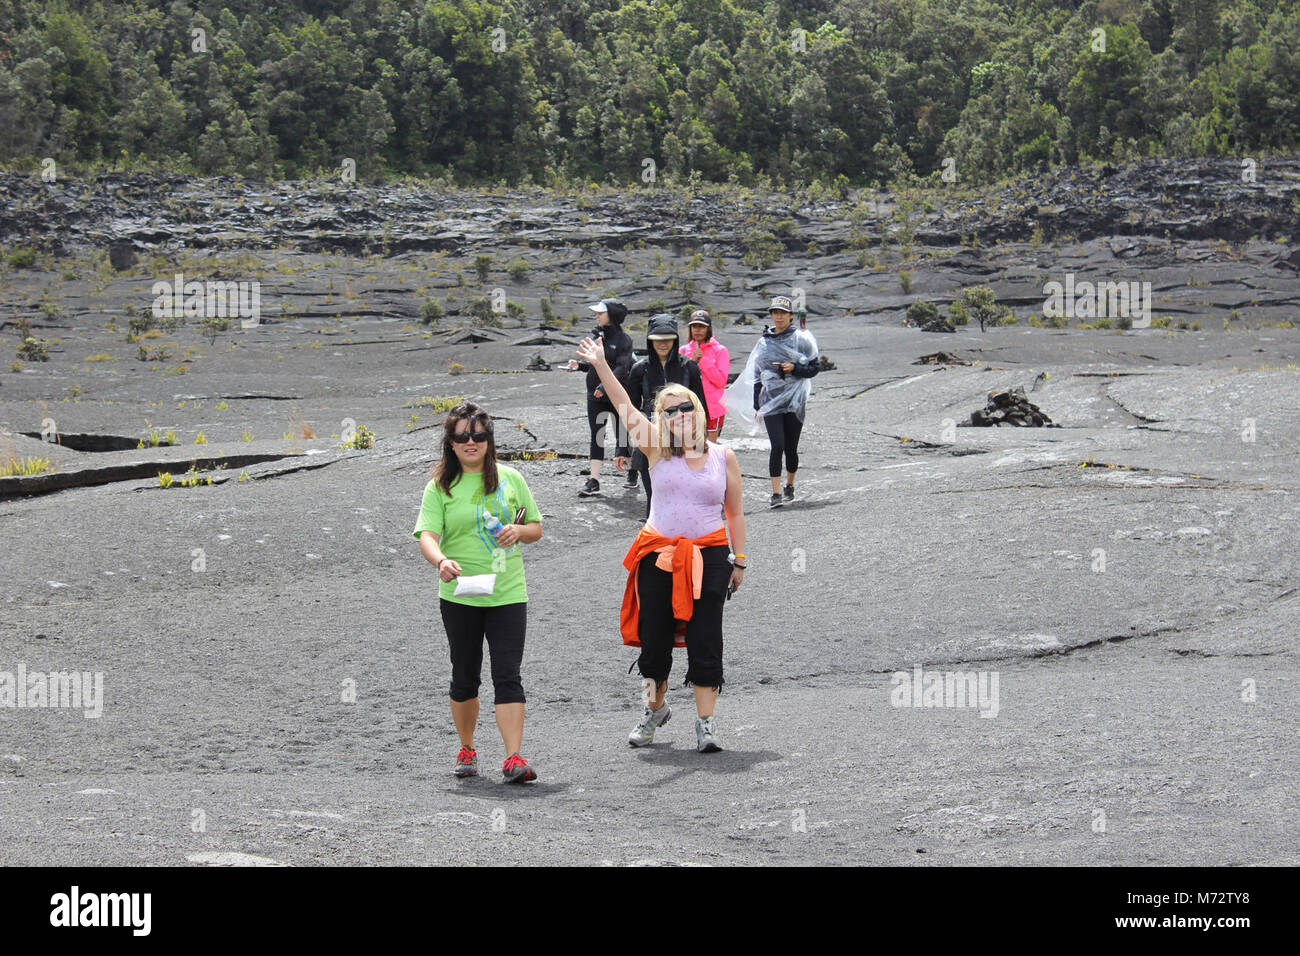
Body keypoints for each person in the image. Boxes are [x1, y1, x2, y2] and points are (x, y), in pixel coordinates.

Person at [575, 336, 747, 754]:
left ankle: (706, 724)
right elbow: (623, 407)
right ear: (662, 418)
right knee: (654, 639)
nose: (681, 414)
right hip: (657, 557)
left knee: (707, 637)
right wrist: (600, 364)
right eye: (671, 410)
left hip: (709, 557)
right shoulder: (654, 448)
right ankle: (655, 710)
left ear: (698, 409)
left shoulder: (723, 457)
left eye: (686, 406)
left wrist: (739, 560)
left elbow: (735, 513)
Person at [413, 402, 544, 783]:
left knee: (508, 675)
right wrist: (440, 562)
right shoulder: (440, 486)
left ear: (489, 440)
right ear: (450, 444)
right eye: (461, 436)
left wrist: (519, 532)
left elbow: (535, 527)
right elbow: (427, 536)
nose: (471, 442)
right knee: (464, 674)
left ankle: (513, 758)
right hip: (460, 595)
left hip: (507, 594)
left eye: (478, 435)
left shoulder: (512, 478)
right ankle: (467, 747)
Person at [727, 295, 820, 508]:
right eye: (775, 313)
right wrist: (757, 406)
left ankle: (790, 485)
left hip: (794, 400)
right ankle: (776, 493)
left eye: (783, 313)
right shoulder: (764, 342)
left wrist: (794, 368)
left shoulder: (801, 339)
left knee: (791, 447)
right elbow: (758, 375)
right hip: (770, 401)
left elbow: (814, 368)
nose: (779, 317)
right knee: (777, 445)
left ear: (790, 316)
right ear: (771, 315)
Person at [625, 313, 710, 517]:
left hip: (685, 439)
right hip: (651, 438)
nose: (663, 344)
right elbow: (630, 410)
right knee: (653, 497)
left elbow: (700, 407)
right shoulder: (640, 370)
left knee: (686, 493)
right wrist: (622, 448)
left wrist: (703, 440)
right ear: (649, 340)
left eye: (668, 339)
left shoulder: (688, 367)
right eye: (657, 339)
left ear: (675, 340)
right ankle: (654, 535)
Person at [565, 299, 633, 496]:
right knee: (597, 436)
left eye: (600, 313)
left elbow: (623, 367)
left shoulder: (624, 340)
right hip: (594, 395)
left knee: (622, 434)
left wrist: (605, 386)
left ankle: (631, 472)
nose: (596, 316)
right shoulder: (596, 337)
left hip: (617, 394)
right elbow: (594, 364)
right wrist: (579, 366)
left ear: (611, 315)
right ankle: (593, 480)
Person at [680, 309, 731, 441]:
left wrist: (702, 361)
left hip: (713, 408)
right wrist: (692, 362)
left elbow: (721, 381)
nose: (698, 330)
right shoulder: (683, 351)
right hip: (689, 406)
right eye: (694, 326)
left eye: (702, 326)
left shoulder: (720, 350)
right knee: (689, 446)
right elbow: (679, 381)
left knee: (710, 448)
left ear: (708, 328)